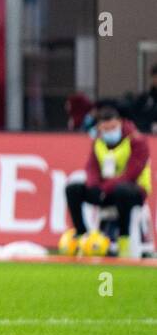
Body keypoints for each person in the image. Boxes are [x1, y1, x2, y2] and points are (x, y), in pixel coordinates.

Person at [62, 103, 150, 257]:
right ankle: (83, 235)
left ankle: (124, 239)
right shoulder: (99, 142)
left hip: (134, 192)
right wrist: (94, 186)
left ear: (120, 123)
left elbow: (131, 174)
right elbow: (91, 168)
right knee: (73, 189)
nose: (110, 132)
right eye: (106, 129)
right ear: (99, 128)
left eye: (113, 127)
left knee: (122, 190)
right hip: (106, 191)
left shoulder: (137, 141)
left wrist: (104, 188)